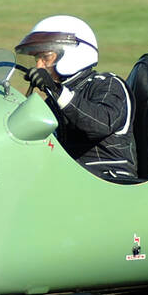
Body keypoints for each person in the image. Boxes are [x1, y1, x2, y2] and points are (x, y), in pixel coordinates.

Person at [15, 15, 138, 182]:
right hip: (70, 180)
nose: (39, 66)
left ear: (72, 54)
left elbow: (100, 124)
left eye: (46, 58)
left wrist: (56, 90)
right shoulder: (53, 100)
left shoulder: (108, 84)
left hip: (109, 179)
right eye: (37, 59)